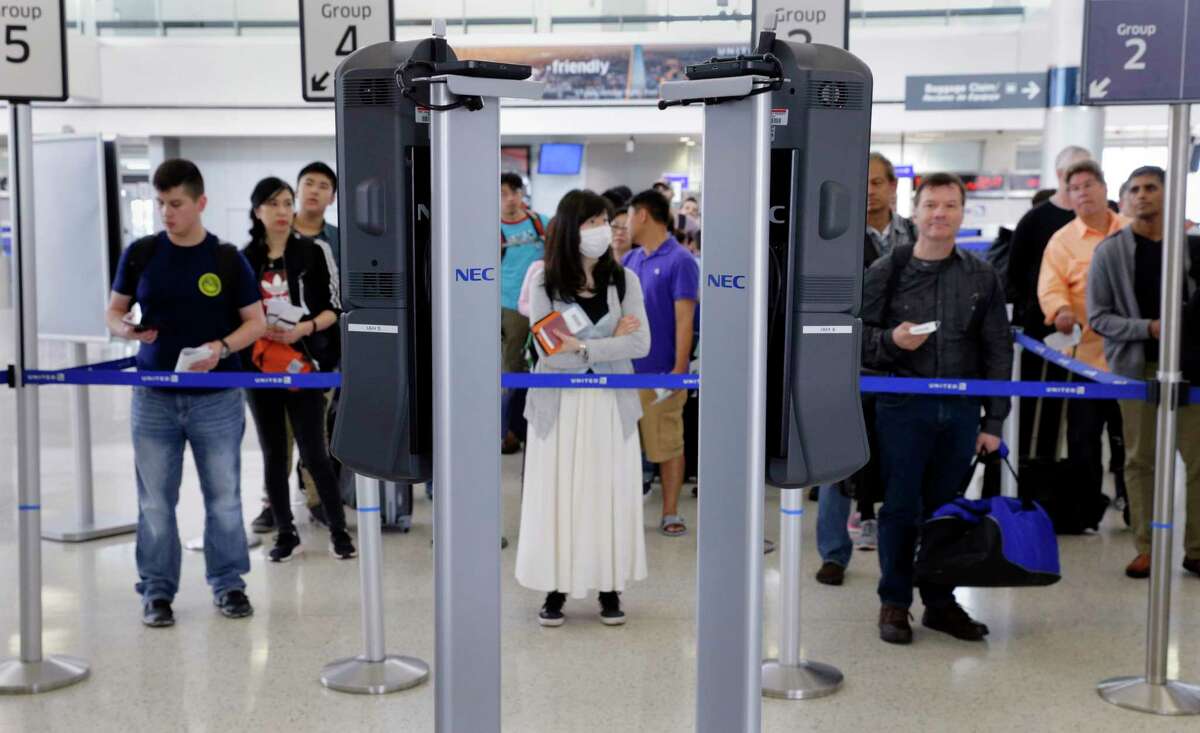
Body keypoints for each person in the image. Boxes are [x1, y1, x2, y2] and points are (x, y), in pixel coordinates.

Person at [105, 159, 267, 628]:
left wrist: (222, 348)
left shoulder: (226, 259)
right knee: (155, 501)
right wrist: (126, 329)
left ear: (200, 203)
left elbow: (255, 322)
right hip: (154, 397)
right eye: (161, 204)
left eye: (175, 204)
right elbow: (114, 312)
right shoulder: (141, 254)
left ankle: (229, 583)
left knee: (224, 497)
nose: (167, 213)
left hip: (217, 398)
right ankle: (157, 590)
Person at [860, 173, 1012, 645]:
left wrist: (993, 420)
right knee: (900, 508)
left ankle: (940, 603)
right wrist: (892, 340)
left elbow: (997, 349)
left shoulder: (981, 275)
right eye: (931, 205)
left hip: (961, 412)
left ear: (963, 213)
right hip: (902, 407)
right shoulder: (887, 270)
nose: (940, 214)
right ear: (916, 211)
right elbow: (854, 337)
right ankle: (894, 601)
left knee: (947, 511)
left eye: (950, 205)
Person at [516, 189, 651, 626]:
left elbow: (641, 342)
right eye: (592, 222)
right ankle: (555, 589)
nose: (602, 231)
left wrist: (584, 347)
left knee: (608, 493)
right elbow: (550, 352)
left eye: (605, 222)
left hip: (611, 405)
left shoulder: (625, 280)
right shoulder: (545, 280)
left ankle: (609, 588)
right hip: (558, 407)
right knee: (558, 496)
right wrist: (609, 342)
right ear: (570, 228)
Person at [1089, 166, 1200, 579]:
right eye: (1134, 189)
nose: (1142, 195)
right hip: (1135, 369)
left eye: (1151, 187)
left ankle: (1196, 549)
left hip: (1191, 368)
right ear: (1124, 198)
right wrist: (1148, 328)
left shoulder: (1193, 248)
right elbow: (1099, 316)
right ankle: (1147, 548)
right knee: (1140, 461)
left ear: (1170, 195)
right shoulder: (1110, 252)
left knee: (1199, 459)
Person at [240, 176, 357, 563]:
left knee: (315, 452)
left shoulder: (312, 251)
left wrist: (303, 329)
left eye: (287, 203)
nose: (282, 211)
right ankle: (286, 532)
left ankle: (338, 530)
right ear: (257, 210)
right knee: (274, 454)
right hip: (259, 367)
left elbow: (334, 308)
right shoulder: (244, 259)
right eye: (273, 203)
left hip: (305, 363)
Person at [1038, 160, 1129, 526]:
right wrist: (1060, 310)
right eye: (1074, 188)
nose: (1082, 193)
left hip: (1131, 357)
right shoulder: (1062, 241)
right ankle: (1087, 510)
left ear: (1105, 188)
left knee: (1130, 438)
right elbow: (1050, 287)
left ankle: (1132, 503)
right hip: (1084, 360)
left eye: (1089, 185)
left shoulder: (1131, 230)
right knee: (1083, 439)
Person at [1007, 145, 1094, 464]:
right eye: (1074, 174)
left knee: (1083, 420)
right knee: (1035, 410)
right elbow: (1014, 277)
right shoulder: (1035, 221)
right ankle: (1029, 473)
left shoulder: (1104, 218)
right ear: (1059, 175)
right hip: (1041, 335)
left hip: (1093, 338)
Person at [623, 190, 699, 537]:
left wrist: (678, 373)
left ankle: (670, 512)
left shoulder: (680, 260)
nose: (625, 224)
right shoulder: (631, 259)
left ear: (642, 215)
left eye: (628, 216)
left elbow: (685, 320)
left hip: (662, 373)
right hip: (625, 374)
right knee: (626, 447)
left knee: (667, 445)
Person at [500, 172, 548, 454]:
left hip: (540, 307)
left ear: (522, 194)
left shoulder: (540, 222)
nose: (509, 199)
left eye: (514, 192)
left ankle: (521, 429)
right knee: (510, 369)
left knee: (532, 368)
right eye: (502, 194)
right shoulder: (489, 227)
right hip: (507, 307)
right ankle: (505, 432)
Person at [865, 152, 917, 260]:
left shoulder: (914, 232)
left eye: (877, 183)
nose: (869, 191)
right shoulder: (846, 236)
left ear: (893, 185)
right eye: (863, 183)